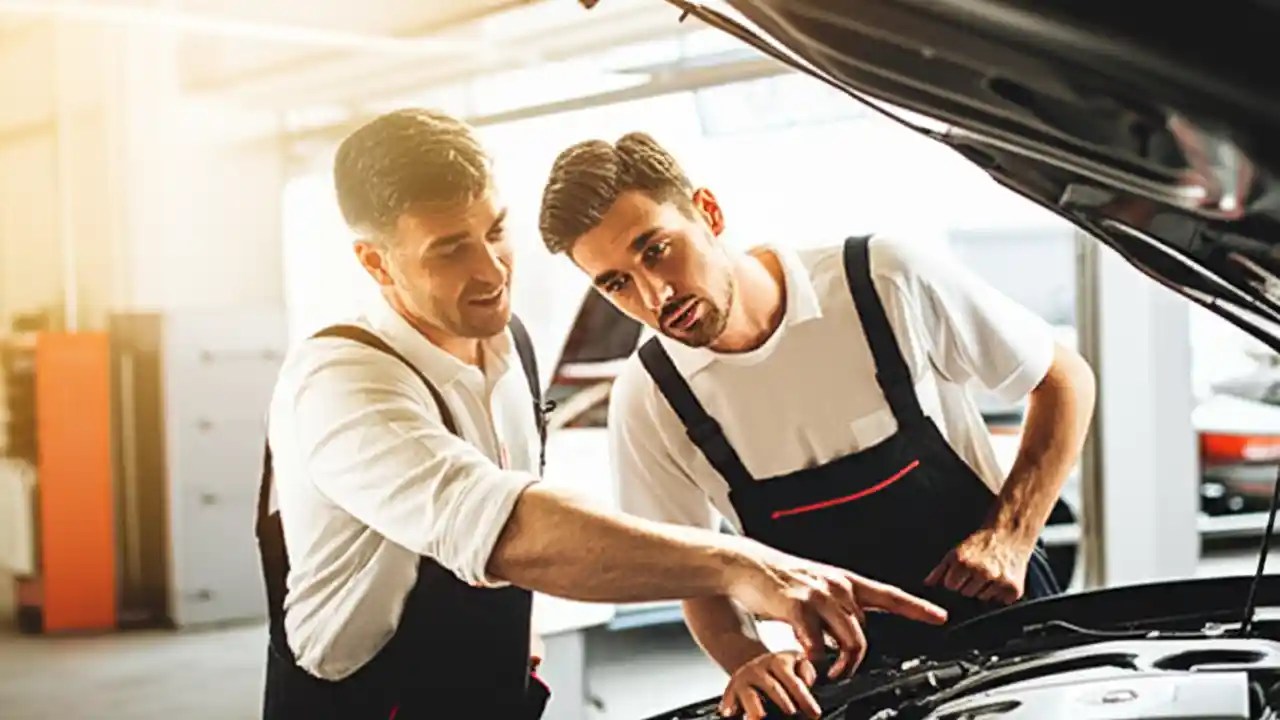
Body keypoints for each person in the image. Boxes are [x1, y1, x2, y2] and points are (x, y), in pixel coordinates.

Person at [255, 109, 949, 720]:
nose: (493, 271)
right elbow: (503, 527)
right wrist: (742, 566)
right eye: (450, 249)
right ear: (374, 262)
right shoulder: (338, 383)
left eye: (495, 230)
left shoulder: (508, 340)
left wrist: (515, 654)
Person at [537, 131, 1097, 719]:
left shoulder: (880, 281)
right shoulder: (650, 398)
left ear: (708, 211)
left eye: (655, 250)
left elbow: (1063, 379)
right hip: (856, 688)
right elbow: (690, 573)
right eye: (616, 283)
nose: (655, 294)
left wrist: (1011, 534)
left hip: (1014, 643)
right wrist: (746, 659)